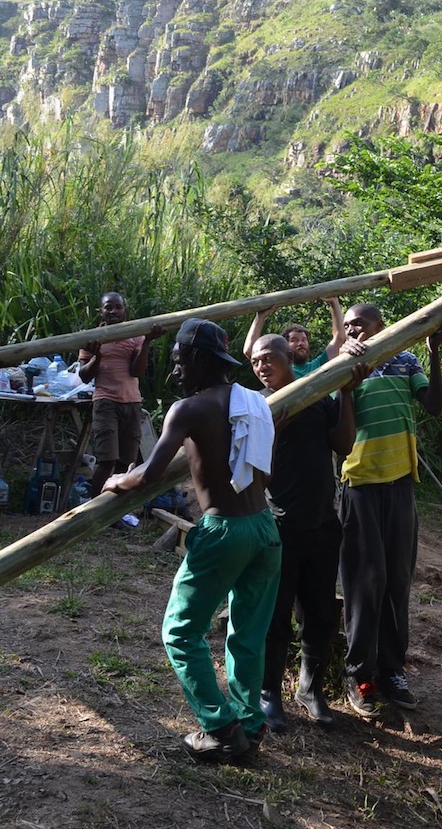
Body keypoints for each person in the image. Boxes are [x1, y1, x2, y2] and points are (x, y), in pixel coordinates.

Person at [103, 318, 281, 763]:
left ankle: (221, 729)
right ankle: (250, 725)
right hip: (265, 528)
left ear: (201, 359)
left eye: (181, 361)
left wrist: (116, 479)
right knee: (247, 633)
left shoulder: (189, 409)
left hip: (225, 531)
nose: (176, 371)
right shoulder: (254, 402)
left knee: (180, 632)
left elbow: (150, 473)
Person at [338, 303, 442, 717]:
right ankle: (359, 674)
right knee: (364, 581)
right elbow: (340, 431)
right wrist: (345, 382)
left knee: (397, 581)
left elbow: (435, 406)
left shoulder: (406, 360)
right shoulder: (343, 365)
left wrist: (435, 350)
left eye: (360, 322)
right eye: (348, 324)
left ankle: (391, 670)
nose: (352, 328)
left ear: (381, 326)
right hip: (361, 484)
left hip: (401, 483)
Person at [250, 334, 368, 730]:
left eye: (268, 358)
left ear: (289, 359)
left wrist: (347, 395)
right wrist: (275, 430)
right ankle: (269, 693)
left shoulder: (317, 395)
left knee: (318, 612)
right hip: (281, 524)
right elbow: (253, 470)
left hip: (322, 523)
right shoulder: (259, 405)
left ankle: (310, 689)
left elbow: (345, 444)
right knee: (276, 614)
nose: (262, 366)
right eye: (255, 362)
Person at [77, 291, 164, 496]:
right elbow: (84, 376)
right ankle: (93, 511)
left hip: (132, 403)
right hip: (105, 402)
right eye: (108, 307)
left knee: (126, 464)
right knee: (107, 461)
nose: (113, 311)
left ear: (125, 310)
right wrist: (97, 356)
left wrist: (147, 342)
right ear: (101, 311)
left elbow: (136, 371)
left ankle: (113, 513)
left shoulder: (135, 335)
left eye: (118, 307)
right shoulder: (91, 338)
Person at [243, 297, 344, 379]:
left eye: (304, 340)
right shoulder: (280, 369)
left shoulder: (318, 365)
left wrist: (334, 303)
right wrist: (260, 318)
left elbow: (339, 338)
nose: (300, 343)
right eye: (294, 340)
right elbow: (250, 351)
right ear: (285, 346)